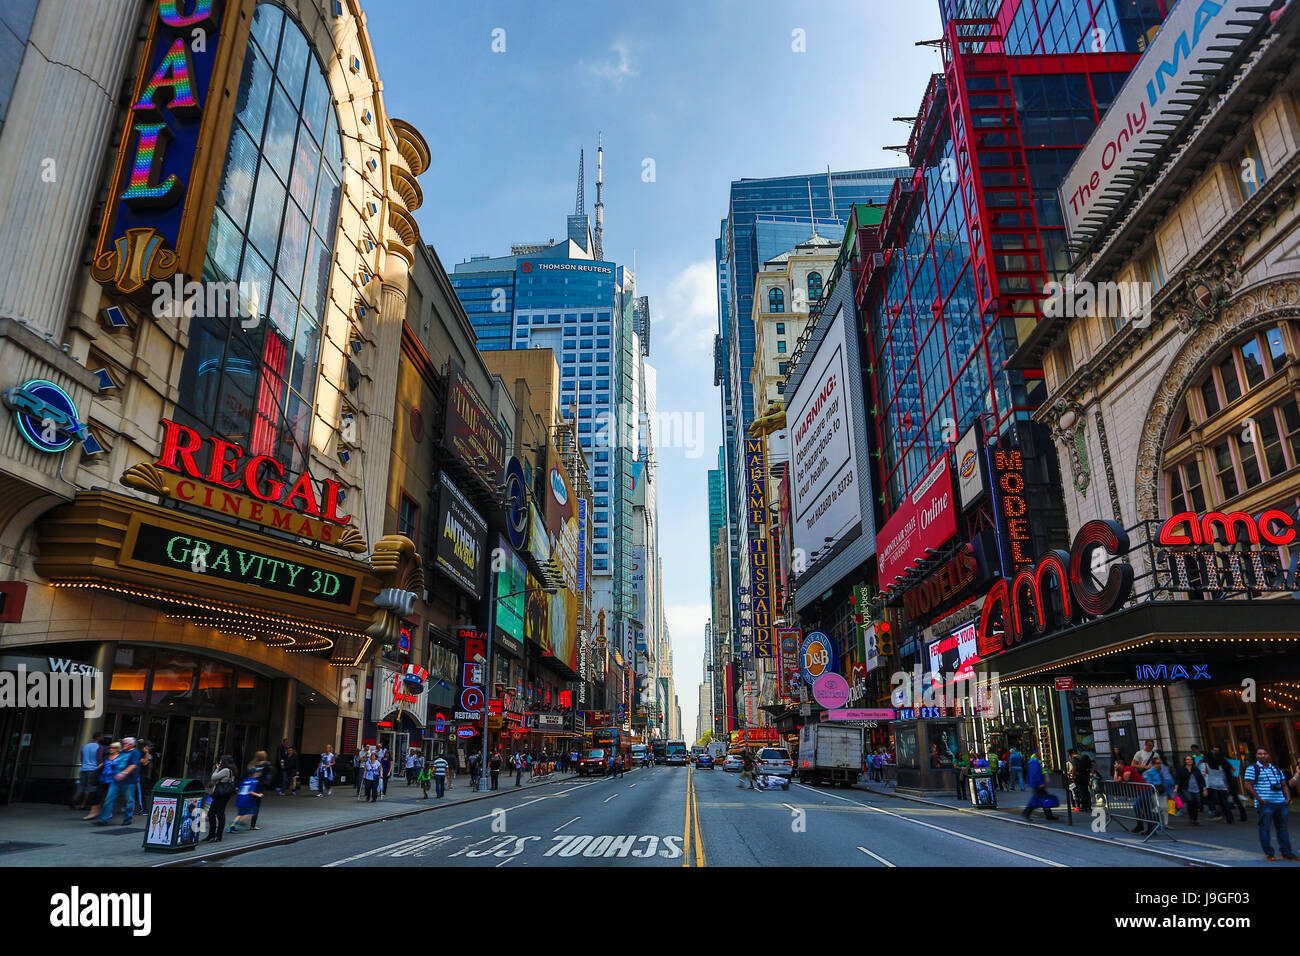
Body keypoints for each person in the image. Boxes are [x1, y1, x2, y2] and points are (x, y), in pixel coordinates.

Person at [1243, 746, 1296, 861]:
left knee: (1283, 829)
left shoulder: (1276, 769)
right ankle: (1269, 853)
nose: (1262, 756)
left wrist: (1288, 798)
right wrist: (1259, 799)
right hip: (1265, 803)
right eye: (1260, 754)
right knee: (1265, 828)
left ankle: (1287, 853)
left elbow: (1284, 785)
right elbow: (1247, 785)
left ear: (1268, 755)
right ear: (1256, 756)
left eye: (1265, 754)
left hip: (1281, 803)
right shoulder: (1252, 768)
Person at [96, 736, 140, 826]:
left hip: (129, 781)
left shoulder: (135, 752)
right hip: (116, 780)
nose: (123, 744)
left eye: (125, 743)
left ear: (131, 744)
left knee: (129, 800)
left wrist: (123, 773)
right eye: (123, 743)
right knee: (109, 799)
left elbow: (133, 765)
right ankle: (104, 819)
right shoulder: (122, 752)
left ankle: (128, 818)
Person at [87, 741, 121, 822]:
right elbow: (102, 765)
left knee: (109, 797)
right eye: (110, 747)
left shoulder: (121, 758)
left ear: (117, 749)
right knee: (97, 794)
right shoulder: (107, 757)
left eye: (113, 748)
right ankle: (94, 811)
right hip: (103, 779)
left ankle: (108, 813)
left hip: (113, 780)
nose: (111, 749)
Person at [1197, 749, 1233, 825]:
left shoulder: (1205, 764)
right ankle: (1229, 818)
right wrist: (1226, 786)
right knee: (1224, 801)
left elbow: (1203, 775)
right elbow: (1223, 776)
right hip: (1221, 784)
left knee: (1211, 800)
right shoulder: (1220, 764)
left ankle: (1214, 812)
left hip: (1210, 784)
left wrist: (1204, 787)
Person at [206, 755, 237, 842]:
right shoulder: (231, 770)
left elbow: (213, 777)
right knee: (213, 813)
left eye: (220, 761)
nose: (219, 762)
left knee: (218, 814)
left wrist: (217, 768)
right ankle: (212, 834)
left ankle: (218, 836)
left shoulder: (226, 770)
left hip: (221, 795)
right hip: (223, 795)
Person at [1142, 756, 1176, 834]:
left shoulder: (1160, 771)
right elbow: (1148, 782)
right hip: (1154, 791)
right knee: (1158, 807)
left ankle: (1165, 824)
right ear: (1154, 764)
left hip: (1162, 791)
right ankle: (1155, 822)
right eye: (1157, 763)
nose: (1159, 765)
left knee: (1165, 808)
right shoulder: (1150, 772)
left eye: (1160, 763)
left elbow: (1163, 781)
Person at [74, 733, 107, 811]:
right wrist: (98, 767)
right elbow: (100, 759)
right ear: (98, 738)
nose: (103, 738)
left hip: (83, 769)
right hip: (93, 769)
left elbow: (81, 757)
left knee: (81, 786)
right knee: (89, 788)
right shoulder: (100, 747)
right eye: (102, 737)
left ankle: (74, 801)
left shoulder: (85, 746)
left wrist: (84, 765)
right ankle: (83, 805)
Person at [228, 761, 264, 833]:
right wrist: (259, 795)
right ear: (255, 773)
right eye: (258, 772)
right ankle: (238, 824)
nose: (260, 773)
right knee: (251, 814)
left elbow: (239, 789)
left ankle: (232, 826)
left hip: (240, 799)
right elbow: (250, 791)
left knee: (240, 814)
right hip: (247, 799)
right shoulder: (254, 781)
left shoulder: (245, 780)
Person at [1021, 751, 1058, 821]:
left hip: (1036, 783)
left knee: (1045, 798)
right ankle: (1026, 813)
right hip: (1038, 784)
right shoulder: (1035, 762)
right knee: (1036, 799)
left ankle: (1049, 815)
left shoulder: (1032, 762)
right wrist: (1041, 782)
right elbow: (1036, 772)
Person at [1174, 754, 1206, 825]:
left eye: (1191, 759)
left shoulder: (1196, 769)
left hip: (1196, 788)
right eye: (1187, 759)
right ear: (1185, 761)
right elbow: (1178, 779)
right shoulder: (1181, 769)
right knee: (1190, 801)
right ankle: (1192, 819)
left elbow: (1201, 778)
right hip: (1186, 788)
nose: (1189, 761)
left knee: (1197, 802)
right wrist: (1176, 787)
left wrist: (1204, 788)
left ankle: (1195, 817)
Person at [134, 740, 153, 814]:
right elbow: (144, 762)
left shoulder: (148, 754)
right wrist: (147, 753)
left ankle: (141, 808)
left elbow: (150, 764)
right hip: (139, 775)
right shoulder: (140, 753)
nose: (150, 748)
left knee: (141, 792)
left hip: (144, 775)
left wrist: (149, 774)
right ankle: (143, 809)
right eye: (149, 746)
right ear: (145, 747)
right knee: (140, 793)